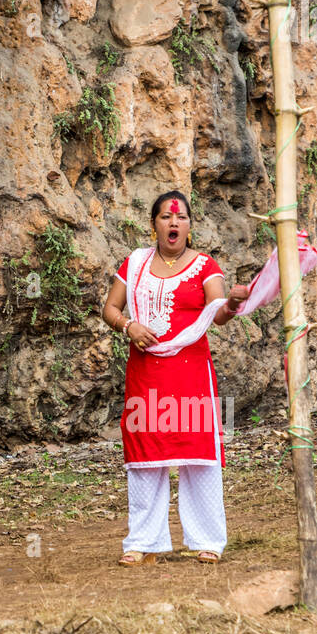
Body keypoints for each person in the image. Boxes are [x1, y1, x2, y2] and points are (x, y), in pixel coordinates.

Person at [102, 190, 250, 565]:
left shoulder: (204, 265)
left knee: (198, 452)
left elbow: (216, 311)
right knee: (145, 452)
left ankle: (207, 541)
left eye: (181, 217)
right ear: (154, 223)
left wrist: (232, 304)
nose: (173, 223)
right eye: (166, 217)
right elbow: (110, 308)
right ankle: (144, 543)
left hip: (190, 372)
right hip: (146, 372)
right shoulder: (135, 263)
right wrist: (129, 326)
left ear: (189, 225)